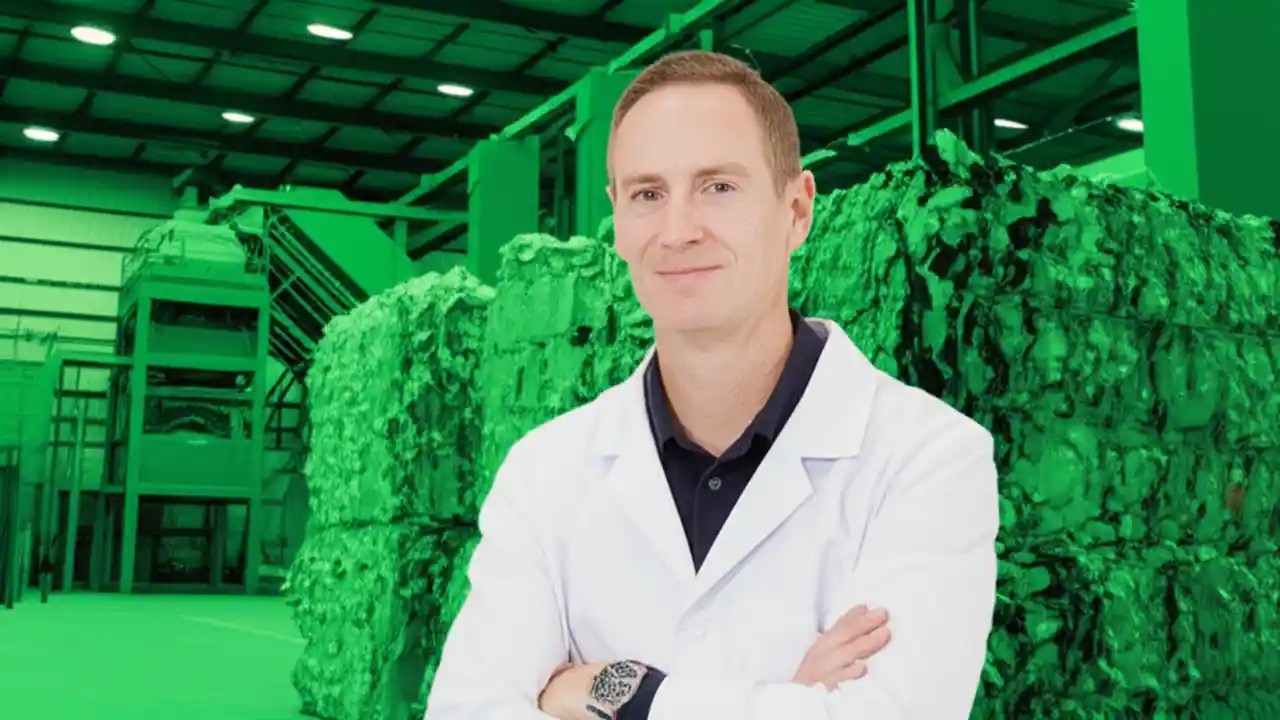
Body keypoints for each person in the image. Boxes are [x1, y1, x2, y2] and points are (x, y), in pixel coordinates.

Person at [424, 49, 999, 720]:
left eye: (718, 187)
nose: (677, 231)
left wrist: (622, 690)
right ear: (616, 218)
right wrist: (792, 697)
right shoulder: (545, 472)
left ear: (797, 209)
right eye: (647, 194)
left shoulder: (926, 458)